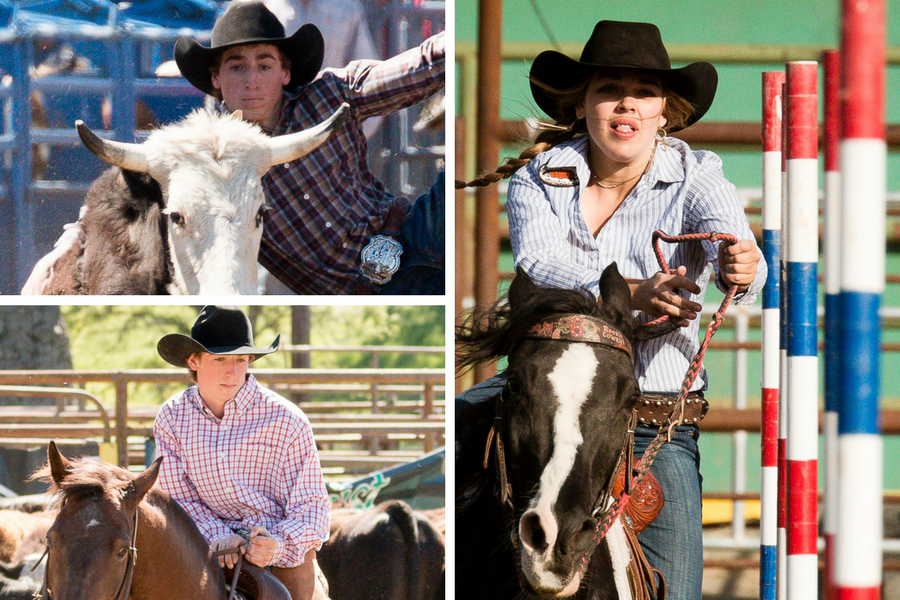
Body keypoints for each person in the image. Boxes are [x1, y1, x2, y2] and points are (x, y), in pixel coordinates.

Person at [458, 20, 766, 600]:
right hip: (545, 398)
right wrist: (630, 292)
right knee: (441, 454)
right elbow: (541, 266)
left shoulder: (698, 177)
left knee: (678, 589)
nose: (626, 102)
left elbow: (739, 249)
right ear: (582, 106)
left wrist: (743, 266)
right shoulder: (537, 179)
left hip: (652, 418)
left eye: (645, 91)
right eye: (608, 88)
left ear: (665, 113)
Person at [174, 1, 445, 295]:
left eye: (264, 66)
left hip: (414, 232)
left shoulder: (331, 94)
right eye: (237, 67)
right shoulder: (210, 160)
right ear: (216, 77)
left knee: (457, 183)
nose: (252, 82)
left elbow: (421, 65)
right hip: (356, 295)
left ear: (285, 73)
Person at [154, 305, 330, 600]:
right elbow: (178, 498)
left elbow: (313, 507)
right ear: (193, 361)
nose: (232, 371)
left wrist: (278, 544)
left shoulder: (287, 420)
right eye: (220, 358)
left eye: (241, 359)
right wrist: (216, 536)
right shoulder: (172, 417)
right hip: (203, 543)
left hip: (276, 544)